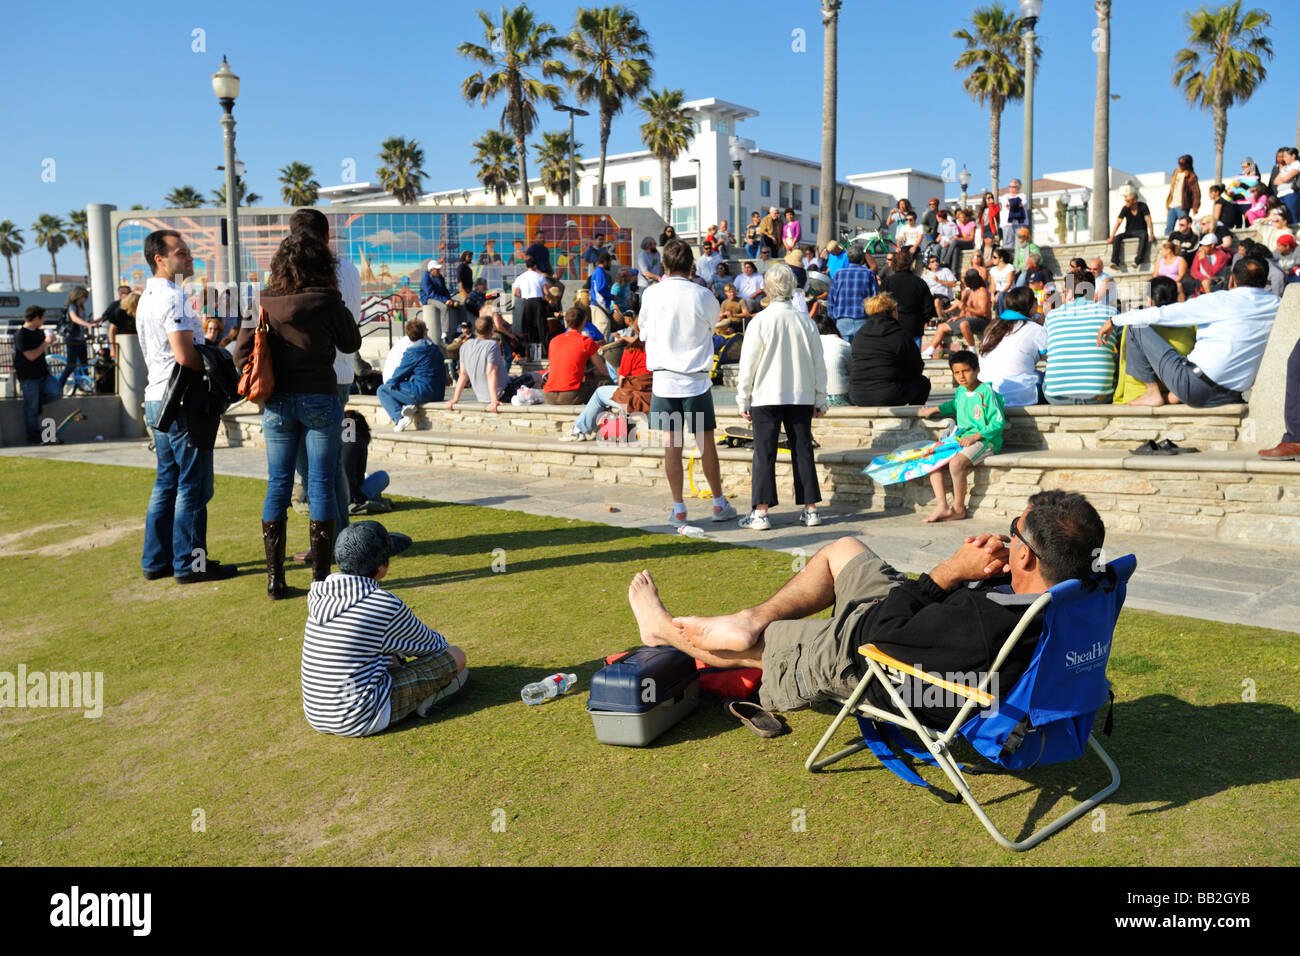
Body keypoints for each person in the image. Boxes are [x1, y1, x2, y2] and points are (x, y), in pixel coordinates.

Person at [627, 489, 1106, 723]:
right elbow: (929, 622)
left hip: (874, 662)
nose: (1006, 536)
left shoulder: (985, 620)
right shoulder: (1072, 594)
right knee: (845, 548)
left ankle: (663, 631)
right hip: (918, 625)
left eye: (1012, 532)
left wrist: (951, 571)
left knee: (767, 644)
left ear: (1024, 554)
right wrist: (987, 579)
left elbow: (878, 637)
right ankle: (751, 617)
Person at [233, 230, 362, 596]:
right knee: (319, 484)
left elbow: (241, 354)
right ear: (320, 263)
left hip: (277, 402)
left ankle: (275, 581)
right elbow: (351, 343)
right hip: (320, 398)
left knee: (278, 485)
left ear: (279, 264)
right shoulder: (328, 300)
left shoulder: (263, 301)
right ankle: (321, 580)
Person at [302, 521, 468, 738]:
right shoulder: (381, 603)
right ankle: (428, 700)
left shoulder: (319, 594)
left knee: (390, 656)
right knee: (456, 657)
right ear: (382, 567)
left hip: (317, 715)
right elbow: (436, 647)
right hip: (360, 717)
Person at [138, 230, 235, 584]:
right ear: (159, 259)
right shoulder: (172, 297)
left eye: (189, 252)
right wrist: (211, 358)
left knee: (168, 481)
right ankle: (189, 563)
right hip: (179, 400)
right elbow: (184, 356)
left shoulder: (147, 295)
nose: (189, 258)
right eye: (181, 253)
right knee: (192, 486)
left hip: (157, 397)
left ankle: (157, 560)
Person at [638, 238, 736, 527]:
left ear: (665, 265)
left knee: (672, 445)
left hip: (666, 379)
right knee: (705, 444)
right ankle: (718, 503)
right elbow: (711, 325)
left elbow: (643, 332)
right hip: (694, 380)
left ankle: (679, 507)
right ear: (691, 265)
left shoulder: (652, 295)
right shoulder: (703, 295)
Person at [1096, 257, 1278, 408]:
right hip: (1231, 394)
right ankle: (1174, 395)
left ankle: (1153, 394)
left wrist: (1114, 320)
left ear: (1232, 280)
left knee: (1137, 326)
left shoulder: (1220, 300)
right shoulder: (1278, 305)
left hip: (1195, 386)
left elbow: (1162, 314)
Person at [733, 262, 827, 530]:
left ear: (766, 288)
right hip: (800, 394)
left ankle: (761, 513)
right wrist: (820, 398)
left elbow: (748, 364)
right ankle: (811, 510)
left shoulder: (760, 321)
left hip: (766, 395)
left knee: (764, 453)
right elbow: (818, 363)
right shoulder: (805, 322)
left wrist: (743, 398)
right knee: (802, 450)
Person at [917, 350, 1005, 522]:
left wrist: (975, 437)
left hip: (986, 440)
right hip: (961, 438)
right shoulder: (960, 392)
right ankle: (942, 506)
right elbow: (954, 405)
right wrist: (933, 409)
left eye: (965, 371)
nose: (961, 376)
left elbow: (998, 423)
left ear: (977, 370)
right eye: (956, 372)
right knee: (931, 458)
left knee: (956, 464)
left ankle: (958, 509)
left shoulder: (986, 391)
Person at [561, 318, 651, 441]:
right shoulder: (663, 349)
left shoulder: (632, 350)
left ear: (636, 329)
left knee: (600, 393)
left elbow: (622, 382)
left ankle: (578, 430)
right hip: (656, 397)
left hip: (635, 399)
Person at [1112, 276, 1193, 404]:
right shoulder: (1191, 325)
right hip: (1179, 387)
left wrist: (1119, 395)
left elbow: (1124, 362)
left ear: (1149, 301)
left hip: (1139, 393)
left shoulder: (1136, 325)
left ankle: (1153, 392)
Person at [1042, 268, 1118, 405]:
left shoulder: (1051, 316)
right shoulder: (1111, 312)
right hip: (1100, 395)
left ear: (1069, 292)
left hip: (1057, 397)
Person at [849, 293, 931, 407]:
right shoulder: (899, 334)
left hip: (857, 395)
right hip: (888, 394)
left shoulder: (860, 334)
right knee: (923, 383)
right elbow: (916, 367)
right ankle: (913, 418)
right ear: (893, 312)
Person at [977, 286, 1047, 407]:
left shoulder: (992, 327)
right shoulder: (1036, 329)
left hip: (986, 394)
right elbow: (1053, 360)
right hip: (1019, 394)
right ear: (1031, 305)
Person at [378, 319, 445, 431]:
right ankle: (408, 405)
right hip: (439, 393)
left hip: (423, 392)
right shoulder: (436, 348)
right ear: (424, 332)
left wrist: (390, 385)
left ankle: (399, 418)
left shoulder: (414, 351)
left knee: (382, 390)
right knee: (409, 380)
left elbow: (399, 373)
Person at [14, 306, 63, 445]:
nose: (44, 320)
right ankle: (33, 435)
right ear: (36, 318)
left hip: (43, 373)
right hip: (28, 377)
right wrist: (46, 343)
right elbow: (31, 356)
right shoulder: (21, 335)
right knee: (31, 408)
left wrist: (53, 342)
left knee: (56, 392)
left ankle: (38, 402)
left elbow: (46, 346)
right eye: (43, 317)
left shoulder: (39, 332)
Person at [544, 307, 605, 405]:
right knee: (605, 382)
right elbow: (603, 371)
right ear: (583, 322)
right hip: (570, 395)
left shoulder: (554, 341)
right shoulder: (586, 341)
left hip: (549, 396)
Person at [924, 269, 991, 354]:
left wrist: (964, 307)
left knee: (963, 324)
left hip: (982, 321)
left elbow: (983, 313)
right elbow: (968, 312)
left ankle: (972, 351)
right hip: (969, 319)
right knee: (941, 327)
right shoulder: (971, 292)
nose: (964, 283)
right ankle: (930, 351)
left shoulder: (982, 292)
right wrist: (959, 317)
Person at [825, 243, 879, 343]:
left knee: (845, 354)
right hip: (863, 320)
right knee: (861, 355)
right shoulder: (869, 274)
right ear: (862, 259)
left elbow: (831, 300)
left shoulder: (838, 274)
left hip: (842, 321)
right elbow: (875, 299)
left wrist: (832, 318)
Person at [880, 249, 935, 347]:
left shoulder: (887, 283)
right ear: (910, 264)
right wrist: (924, 320)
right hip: (914, 325)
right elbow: (928, 306)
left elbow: (880, 305)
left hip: (892, 326)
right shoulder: (919, 282)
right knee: (914, 360)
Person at [1107, 185, 1155, 271]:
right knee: (1117, 238)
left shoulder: (1143, 206)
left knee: (1144, 235)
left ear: (1135, 200)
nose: (1126, 203)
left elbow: (1148, 220)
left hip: (1141, 231)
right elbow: (1118, 222)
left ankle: (1137, 261)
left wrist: (1151, 233)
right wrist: (1112, 236)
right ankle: (1115, 261)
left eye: (1128, 201)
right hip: (1129, 232)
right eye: (1126, 201)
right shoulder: (1125, 208)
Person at [57, 287, 95, 393]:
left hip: (81, 339)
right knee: (71, 364)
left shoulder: (82, 307)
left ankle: (83, 386)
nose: (85, 299)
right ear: (78, 296)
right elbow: (74, 318)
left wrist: (89, 329)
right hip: (72, 339)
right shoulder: (72, 306)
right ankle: (59, 386)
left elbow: (83, 322)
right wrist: (88, 325)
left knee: (84, 364)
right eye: (84, 297)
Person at [512, 255, 550, 346]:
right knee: (541, 325)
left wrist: (523, 295)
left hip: (526, 302)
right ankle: (545, 350)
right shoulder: (540, 277)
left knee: (527, 326)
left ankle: (528, 350)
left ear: (526, 267)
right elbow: (546, 292)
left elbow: (515, 293)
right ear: (535, 266)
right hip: (538, 302)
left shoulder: (520, 278)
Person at [818, 315, 852, 407]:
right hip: (841, 396)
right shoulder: (844, 345)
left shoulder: (811, 346)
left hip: (816, 398)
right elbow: (852, 371)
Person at [1164, 154, 1201, 234]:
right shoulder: (1176, 172)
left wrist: (1195, 206)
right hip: (1172, 204)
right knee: (1169, 227)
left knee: (1183, 226)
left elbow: (1196, 192)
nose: (1180, 165)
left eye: (1182, 164)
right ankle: (1167, 244)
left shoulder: (1191, 176)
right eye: (1179, 163)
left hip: (1182, 205)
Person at [101, 284, 134, 363]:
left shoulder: (135, 309)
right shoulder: (117, 308)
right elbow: (110, 326)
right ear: (121, 295)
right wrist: (113, 348)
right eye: (128, 293)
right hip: (121, 342)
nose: (130, 295)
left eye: (131, 293)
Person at [922, 255, 958, 319]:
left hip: (944, 297)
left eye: (936, 261)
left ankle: (941, 320)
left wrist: (938, 281)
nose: (935, 262)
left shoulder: (945, 271)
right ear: (929, 265)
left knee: (937, 301)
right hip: (932, 296)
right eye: (932, 261)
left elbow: (954, 284)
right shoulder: (926, 276)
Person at [1274, 146, 1300, 224]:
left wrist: (1282, 179)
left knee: (1293, 216)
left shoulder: (1297, 165)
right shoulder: (1286, 167)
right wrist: (1283, 179)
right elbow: (1275, 181)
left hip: (1290, 194)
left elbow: (1286, 178)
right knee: (1284, 217)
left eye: (1286, 156)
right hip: (1281, 195)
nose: (1284, 159)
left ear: (1293, 156)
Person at [999, 179, 1029, 245]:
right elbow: (1007, 204)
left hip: (1021, 223)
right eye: (1010, 186)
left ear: (1018, 187)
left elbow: (1022, 203)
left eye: (1013, 187)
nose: (1011, 188)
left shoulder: (1023, 196)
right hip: (1007, 224)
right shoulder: (1005, 196)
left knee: (1021, 243)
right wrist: (1017, 203)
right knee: (1008, 244)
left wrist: (1012, 203)